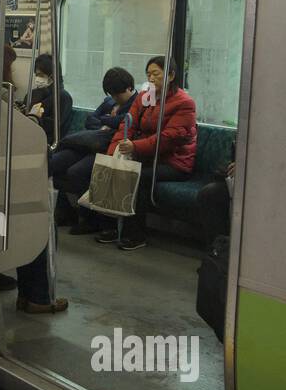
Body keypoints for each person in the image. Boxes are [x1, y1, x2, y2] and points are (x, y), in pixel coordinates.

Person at [92, 56, 198, 251]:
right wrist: (112, 152)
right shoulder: (144, 97)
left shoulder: (184, 103)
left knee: (137, 176)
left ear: (171, 75)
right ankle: (111, 226)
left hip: (174, 162)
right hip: (146, 154)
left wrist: (135, 147)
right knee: (110, 168)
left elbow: (169, 138)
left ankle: (136, 234)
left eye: (156, 74)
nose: (151, 78)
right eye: (148, 74)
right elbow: (127, 124)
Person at [0, 45, 67, 314]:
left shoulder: (59, 97)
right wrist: (33, 120)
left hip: (3, 171)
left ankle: (29, 294)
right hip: (11, 172)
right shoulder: (2, 93)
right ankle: (37, 296)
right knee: (36, 226)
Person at [53, 66, 136, 229]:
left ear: (129, 88)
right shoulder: (110, 102)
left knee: (76, 172)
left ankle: (89, 218)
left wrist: (106, 121)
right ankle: (66, 211)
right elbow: (90, 119)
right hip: (89, 144)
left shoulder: (136, 105)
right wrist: (107, 122)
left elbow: (123, 124)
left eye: (117, 94)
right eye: (111, 95)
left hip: (108, 148)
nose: (115, 98)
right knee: (53, 163)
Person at [26, 53, 73, 143]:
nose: (37, 78)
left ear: (52, 76)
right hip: (31, 136)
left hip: (49, 141)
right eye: (37, 75)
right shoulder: (33, 93)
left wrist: (36, 119)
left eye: (41, 75)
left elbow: (55, 125)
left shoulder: (63, 97)